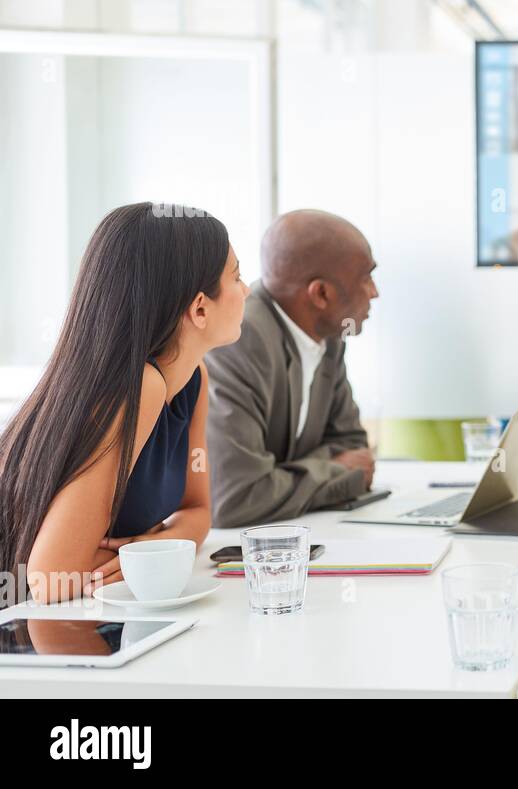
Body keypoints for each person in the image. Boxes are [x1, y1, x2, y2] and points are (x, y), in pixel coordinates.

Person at [0, 203, 248, 604]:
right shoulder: (141, 388)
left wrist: (156, 546)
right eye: (237, 276)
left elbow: (199, 512)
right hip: (20, 618)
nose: (247, 290)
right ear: (200, 308)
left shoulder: (193, 380)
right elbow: (49, 579)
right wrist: (147, 553)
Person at [204, 210, 379, 528]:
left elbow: (354, 446)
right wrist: (336, 469)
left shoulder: (329, 335)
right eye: (366, 278)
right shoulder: (240, 339)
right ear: (321, 294)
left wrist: (282, 477)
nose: (374, 292)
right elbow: (236, 497)